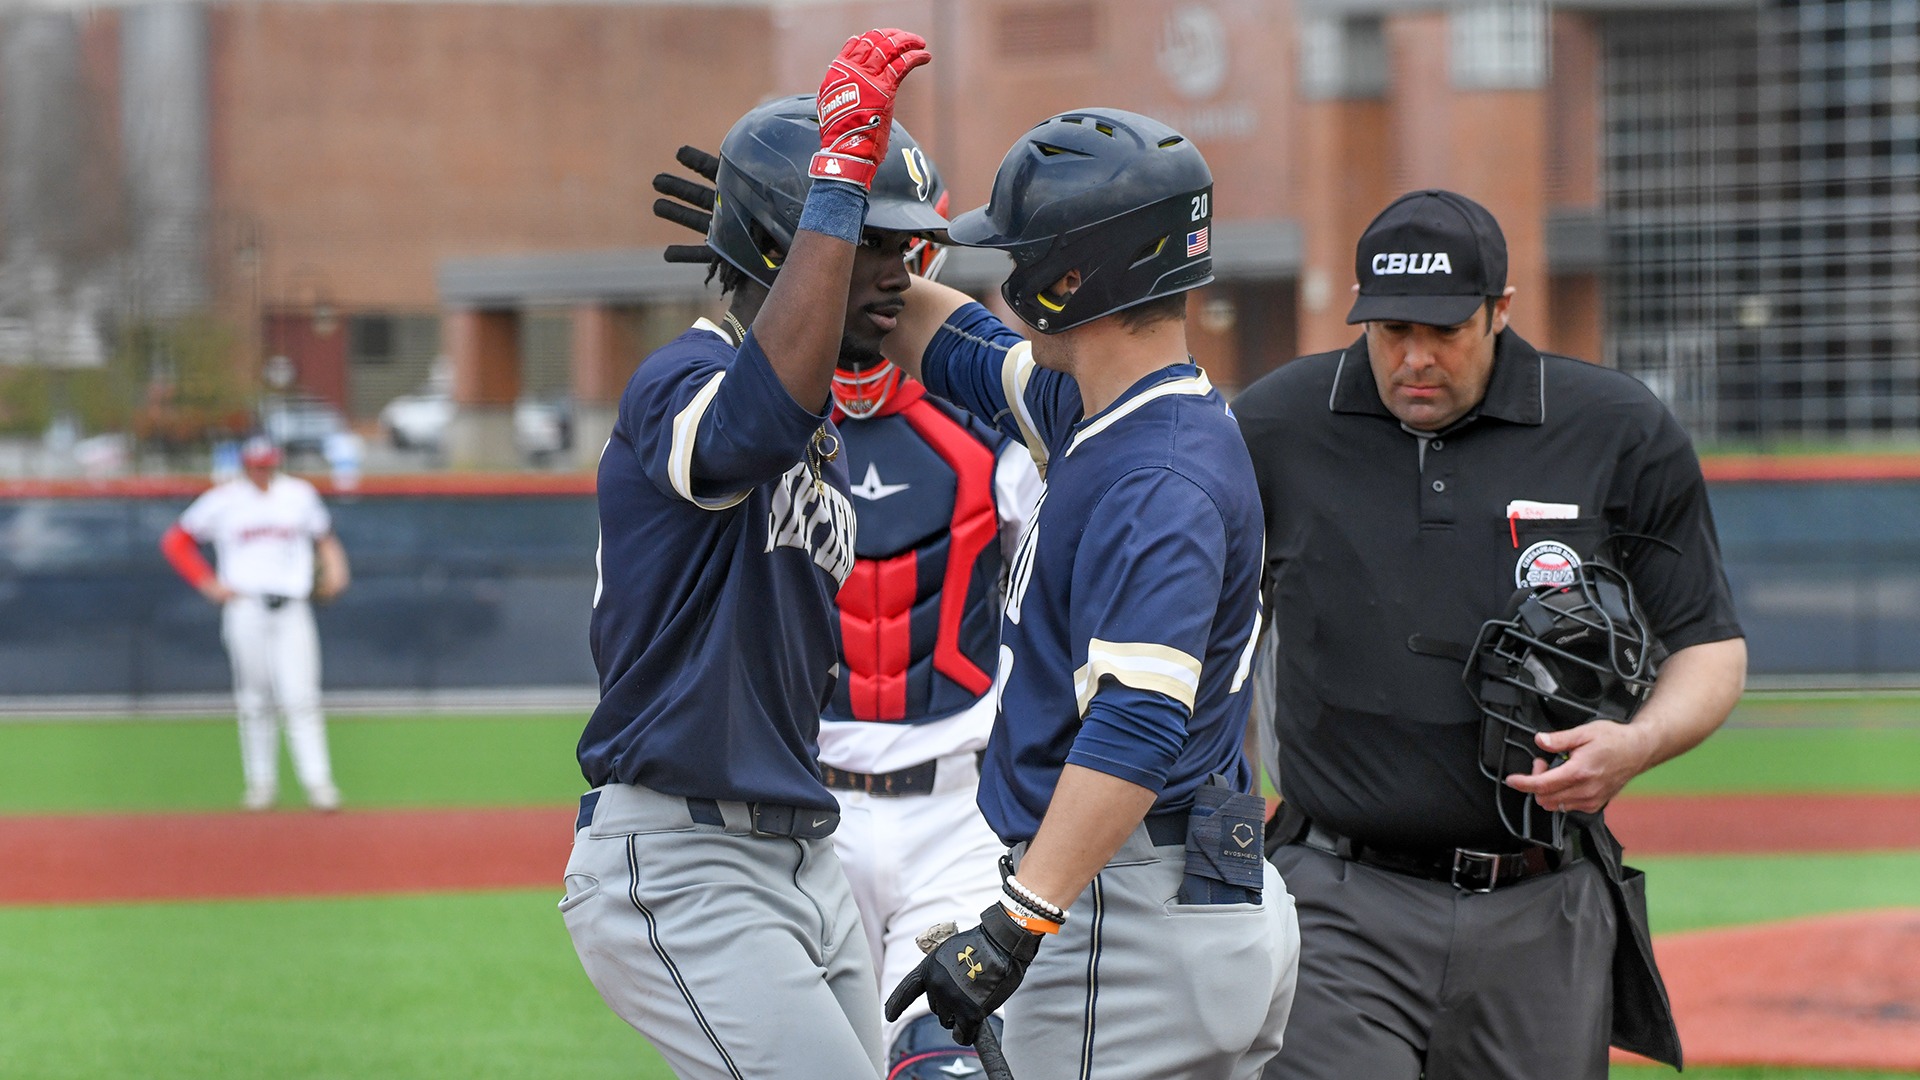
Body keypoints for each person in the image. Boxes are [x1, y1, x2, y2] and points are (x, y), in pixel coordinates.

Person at [1233, 188, 1748, 1080]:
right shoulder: (1277, 425)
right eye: (1390, 329)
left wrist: (1637, 744)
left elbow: (1709, 646)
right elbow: (1209, 634)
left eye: (1445, 330)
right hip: (1334, 894)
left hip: (1539, 904)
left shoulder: (1615, 429)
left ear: (1501, 311)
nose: (1413, 357)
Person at [878, 108, 1300, 1080]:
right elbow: (959, 348)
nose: (1005, 272)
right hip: (1190, 885)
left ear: (1070, 280)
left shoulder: (1157, 479)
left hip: (1124, 912)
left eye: (1024, 255)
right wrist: (830, 246)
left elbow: (1136, 729)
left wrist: (1017, 925)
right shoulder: (1128, 413)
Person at [557, 31, 937, 1080]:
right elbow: (740, 435)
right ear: (786, 246)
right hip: (682, 858)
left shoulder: (816, 418)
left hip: (805, 855)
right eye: (878, 243)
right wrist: (825, 207)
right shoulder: (677, 378)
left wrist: (817, 224)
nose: (899, 277)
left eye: (909, 248)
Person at [161, 434, 350, 811]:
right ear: (245, 464)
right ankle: (261, 784)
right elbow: (176, 541)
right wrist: (207, 583)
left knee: (301, 697)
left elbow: (324, 538)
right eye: (256, 464)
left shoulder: (298, 494)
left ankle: (318, 783)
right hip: (245, 605)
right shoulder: (223, 500)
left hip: (292, 604)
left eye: (268, 464)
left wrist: (336, 571)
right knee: (254, 698)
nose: (262, 470)